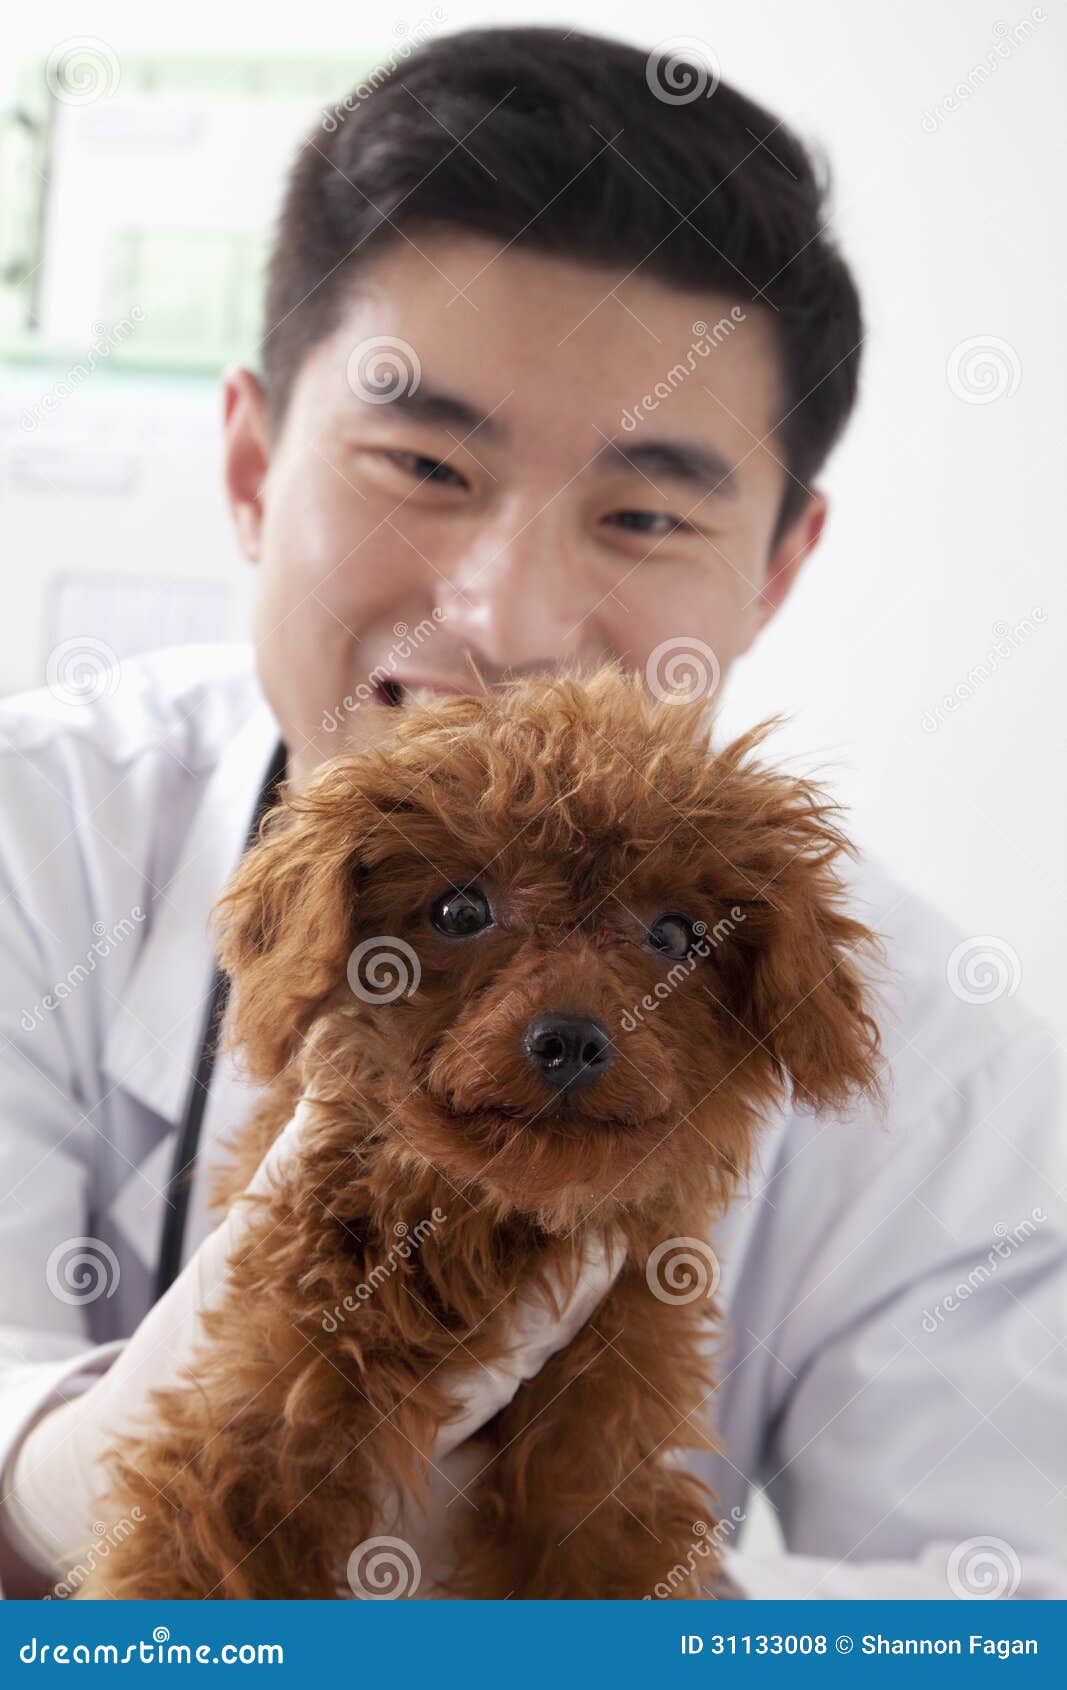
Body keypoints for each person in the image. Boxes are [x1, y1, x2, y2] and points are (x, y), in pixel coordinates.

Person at [0, 25, 1063, 1601]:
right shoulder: (35, 836)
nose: (503, 620)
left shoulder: (945, 1064)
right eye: (426, 465)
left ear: (777, 569)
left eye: (642, 512)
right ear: (250, 466)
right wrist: (56, 1482)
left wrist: (613, 1612)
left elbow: (1009, 1607)